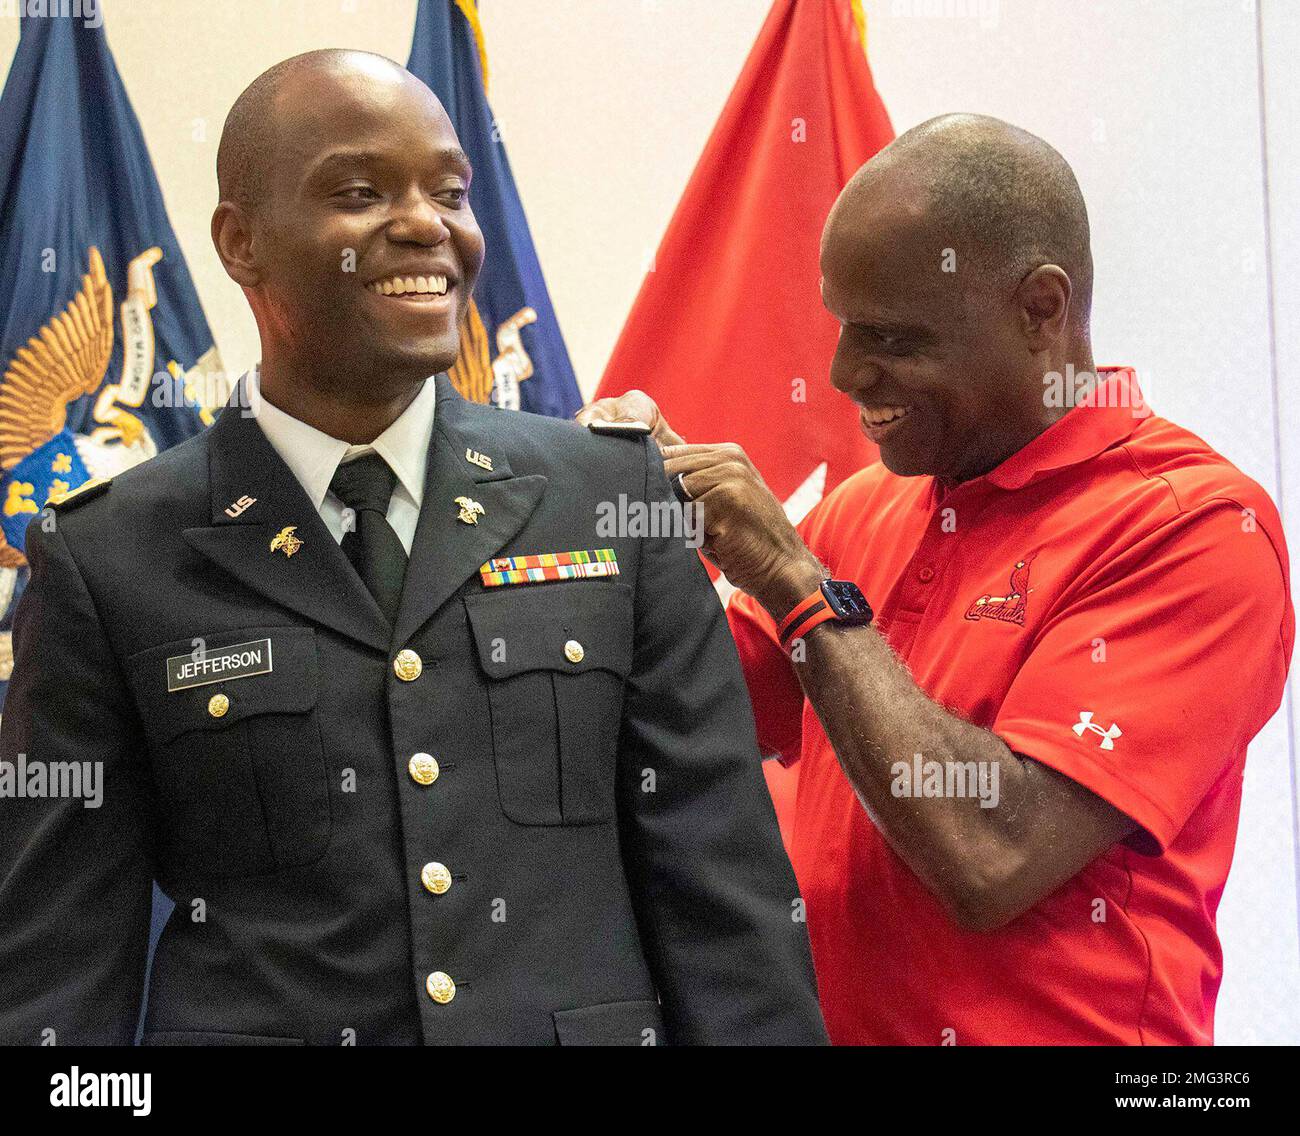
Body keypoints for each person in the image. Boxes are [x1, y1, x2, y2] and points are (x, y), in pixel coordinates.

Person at [0, 50, 826, 1046]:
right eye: (360, 191)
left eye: (449, 190)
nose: (427, 223)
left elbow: (722, 892)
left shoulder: (609, 498)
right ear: (240, 241)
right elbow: (56, 974)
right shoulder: (109, 554)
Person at [581, 114, 1294, 1045]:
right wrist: (596, 520)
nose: (844, 373)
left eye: (892, 339)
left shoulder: (1193, 529)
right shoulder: (870, 508)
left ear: (1040, 310)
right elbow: (672, 713)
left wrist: (795, 581)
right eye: (843, 327)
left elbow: (991, 854)